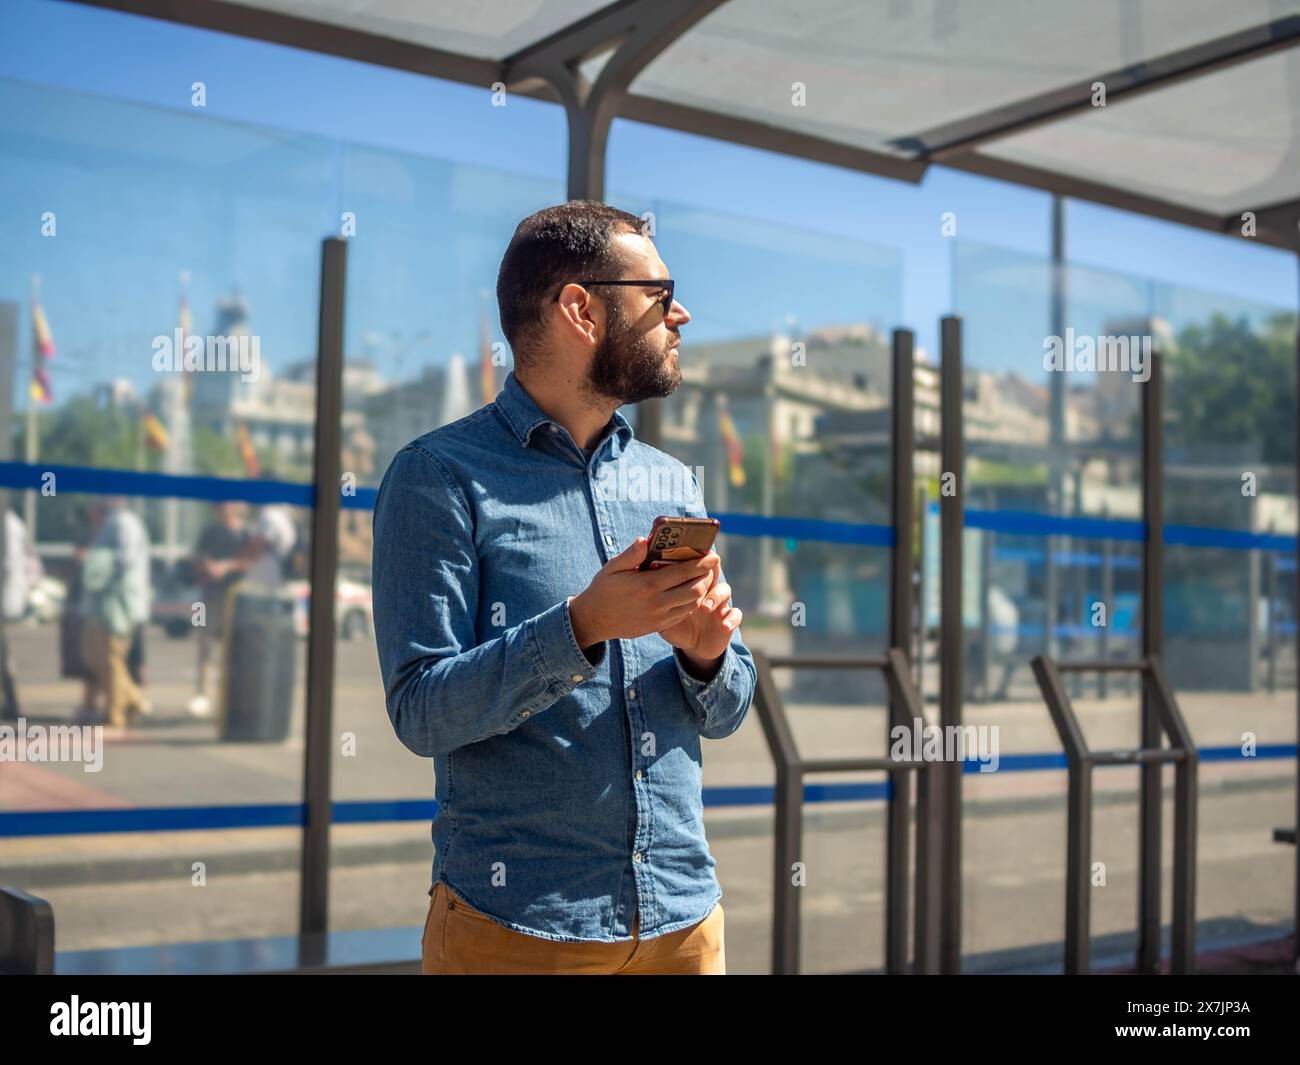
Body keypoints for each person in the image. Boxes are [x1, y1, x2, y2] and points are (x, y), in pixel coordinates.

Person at [373, 201, 755, 975]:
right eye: (657, 293)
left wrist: (709, 658)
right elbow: (420, 709)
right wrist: (581, 625)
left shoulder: (671, 481)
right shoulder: (439, 476)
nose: (681, 312)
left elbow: (729, 706)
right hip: (519, 931)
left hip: (685, 924)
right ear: (581, 308)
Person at [79, 497, 152, 731]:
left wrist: (95, 562)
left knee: (111, 658)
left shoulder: (123, 522)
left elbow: (125, 558)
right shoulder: (115, 521)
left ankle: (116, 713)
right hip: (109, 603)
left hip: (119, 604)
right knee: (102, 658)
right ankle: (130, 700)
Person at [188, 501, 250, 717]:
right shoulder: (210, 531)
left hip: (236, 598)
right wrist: (207, 565)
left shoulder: (245, 533)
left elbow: (250, 561)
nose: (223, 509)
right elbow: (195, 557)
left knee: (234, 648)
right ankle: (203, 694)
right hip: (208, 596)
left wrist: (226, 567)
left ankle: (230, 697)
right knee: (205, 645)